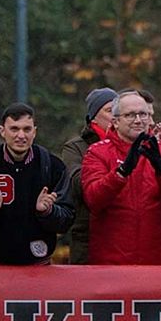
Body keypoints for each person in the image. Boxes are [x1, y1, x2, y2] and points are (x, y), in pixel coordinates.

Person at [0, 102, 74, 265]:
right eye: (14, 129)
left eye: (27, 129)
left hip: (37, 268)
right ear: (2, 131)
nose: (21, 135)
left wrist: (47, 211)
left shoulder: (53, 166)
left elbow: (66, 220)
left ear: (34, 132)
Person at [81, 89, 161, 265]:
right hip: (111, 263)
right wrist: (121, 173)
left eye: (143, 114)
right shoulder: (97, 152)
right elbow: (94, 199)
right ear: (115, 121)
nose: (138, 120)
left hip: (157, 262)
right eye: (130, 115)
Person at [61, 87, 117, 264]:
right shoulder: (76, 148)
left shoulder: (133, 144)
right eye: (109, 111)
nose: (115, 116)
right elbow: (78, 183)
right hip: (88, 236)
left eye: (118, 111)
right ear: (93, 117)